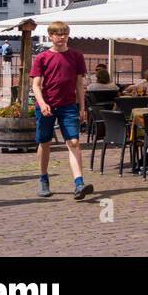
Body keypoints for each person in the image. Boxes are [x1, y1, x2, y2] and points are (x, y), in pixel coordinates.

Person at [30, 21, 93, 200]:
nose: (61, 37)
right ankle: (43, 178)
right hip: (46, 106)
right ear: (50, 36)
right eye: (57, 34)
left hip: (68, 106)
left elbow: (80, 84)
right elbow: (36, 85)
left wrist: (82, 107)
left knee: (73, 142)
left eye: (64, 33)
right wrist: (42, 104)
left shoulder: (76, 56)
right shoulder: (42, 58)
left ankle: (79, 183)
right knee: (45, 142)